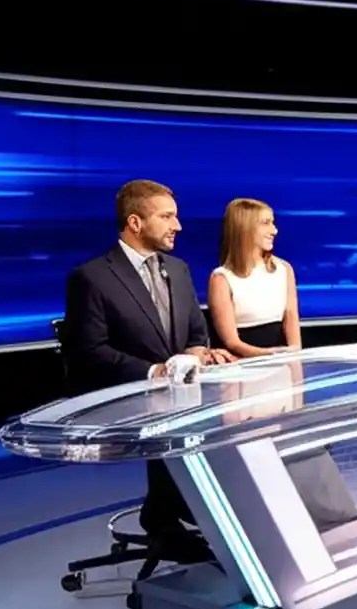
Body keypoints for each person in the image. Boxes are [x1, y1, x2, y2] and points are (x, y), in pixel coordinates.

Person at [62, 179, 233, 539]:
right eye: (167, 216)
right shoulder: (92, 278)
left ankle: (174, 513)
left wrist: (197, 353)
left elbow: (196, 334)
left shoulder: (179, 269)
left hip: (183, 396)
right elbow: (89, 351)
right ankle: (171, 517)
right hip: (126, 395)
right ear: (135, 223)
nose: (178, 226)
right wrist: (155, 371)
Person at [207, 198, 301, 356]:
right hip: (243, 365)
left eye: (273, 223)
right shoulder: (222, 278)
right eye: (266, 223)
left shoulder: (284, 269)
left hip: (281, 361)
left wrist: (295, 357)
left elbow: (291, 318)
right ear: (245, 228)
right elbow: (231, 342)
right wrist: (270, 355)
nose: (274, 230)